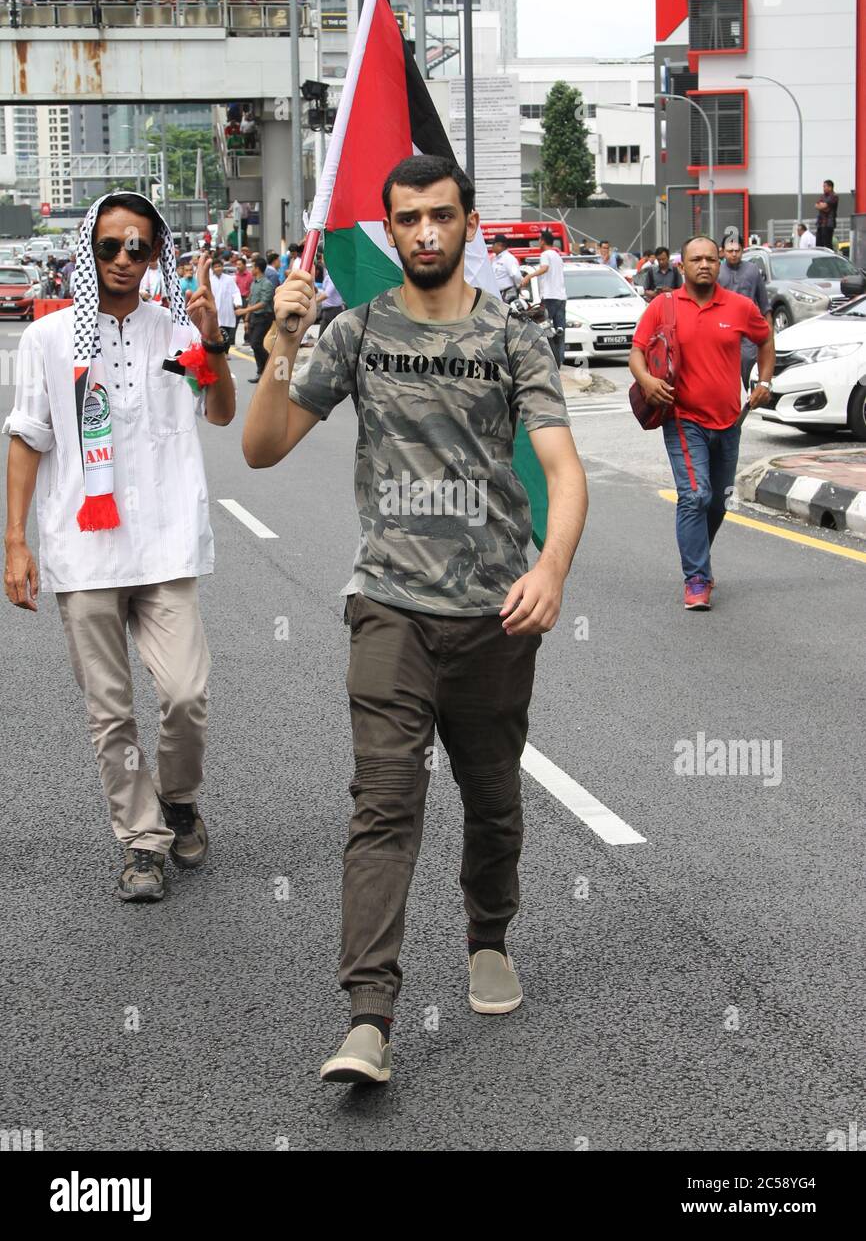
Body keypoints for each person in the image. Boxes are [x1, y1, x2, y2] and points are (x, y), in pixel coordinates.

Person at [243, 153, 587, 1086]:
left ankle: (489, 932)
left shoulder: (516, 339)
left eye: (441, 215)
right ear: (389, 230)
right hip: (389, 605)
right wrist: (280, 345)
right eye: (408, 219)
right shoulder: (354, 333)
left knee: (492, 796)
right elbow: (263, 448)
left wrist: (552, 568)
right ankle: (368, 1017)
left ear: (470, 222)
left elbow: (562, 469)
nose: (425, 231)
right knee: (385, 805)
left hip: (494, 614)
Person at [3, 193, 235, 901]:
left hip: (165, 547)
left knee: (186, 694)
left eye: (139, 246)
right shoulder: (47, 341)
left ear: (156, 251)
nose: (126, 259)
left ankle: (179, 796)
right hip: (84, 551)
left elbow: (220, 411)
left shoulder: (176, 337)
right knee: (111, 711)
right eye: (111, 247)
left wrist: (214, 340)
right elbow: (28, 439)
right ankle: (141, 841)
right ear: (88, 251)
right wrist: (16, 540)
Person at [629, 235, 774, 612]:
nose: (705, 264)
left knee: (719, 502)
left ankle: (699, 560)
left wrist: (764, 382)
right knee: (695, 495)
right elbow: (637, 353)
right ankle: (695, 578)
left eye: (711, 258)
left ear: (719, 263)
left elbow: (765, 339)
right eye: (697, 259)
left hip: (729, 420)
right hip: (682, 418)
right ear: (683, 266)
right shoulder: (665, 305)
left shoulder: (740, 307)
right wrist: (647, 382)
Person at [717, 229, 771, 391]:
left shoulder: (752, 270)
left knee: (748, 360)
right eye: (730, 251)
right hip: (722, 326)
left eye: (737, 251)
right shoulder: (716, 272)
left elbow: (764, 303)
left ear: (742, 250)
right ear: (723, 252)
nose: (734, 254)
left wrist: (769, 329)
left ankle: (750, 394)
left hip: (748, 328)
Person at [518, 228, 566, 367]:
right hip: (561, 297)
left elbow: (544, 268)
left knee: (544, 329)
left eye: (539, 240)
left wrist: (528, 276)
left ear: (543, 241)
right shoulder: (557, 255)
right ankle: (560, 360)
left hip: (550, 297)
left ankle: (548, 359)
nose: (538, 242)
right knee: (559, 330)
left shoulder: (545, 254)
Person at [240, 255, 274, 381]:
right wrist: (246, 319)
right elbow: (251, 301)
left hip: (264, 316)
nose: (250, 269)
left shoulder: (267, 284)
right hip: (254, 317)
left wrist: (245, 310)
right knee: (254, 345)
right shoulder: (254, 283)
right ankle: (261, 372)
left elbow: (264, 303)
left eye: (252, 266)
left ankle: (270, 367)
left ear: (258, 268)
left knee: (256, 343)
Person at [209, 257, 242, 346]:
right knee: (217, 331)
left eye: (219, 266)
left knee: (226, 332)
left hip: (227, 309)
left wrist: (237, 302)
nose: (218, 268)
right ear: (212, 269)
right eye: (215, 267)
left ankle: (226, 352)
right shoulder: (210, 281)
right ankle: (220, 351)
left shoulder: (229, 279)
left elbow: (235, 292)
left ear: (222, 267)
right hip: (215, 309)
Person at [490, 235, 522, 302]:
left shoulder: (509, 258)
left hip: (507, 295)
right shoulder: (495, 259)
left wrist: (518, 288)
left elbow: (517, 276)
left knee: (506, 312)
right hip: (497, 295)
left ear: (500, 245)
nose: (491, 246)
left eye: (493, 244)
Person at [316, 269, 345, 337]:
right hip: (329, 310)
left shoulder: (333, 276)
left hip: (333, 311)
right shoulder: (329, 274)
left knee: (327, 338)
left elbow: (327, 294)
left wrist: (314, 302)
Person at [815, 180, 838, 249]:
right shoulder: (823, 196)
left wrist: (822, 206)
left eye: (825, 186)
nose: (823, 188)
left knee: (827, 244)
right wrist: (822, 206)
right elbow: (816, 205)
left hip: (828, 224)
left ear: (830, 187)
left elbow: (825, 207)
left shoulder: (834, 196)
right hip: (820, 223)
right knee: (818, 245)